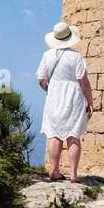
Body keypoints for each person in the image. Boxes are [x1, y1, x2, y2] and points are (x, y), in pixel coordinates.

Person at [36, 21, 94, 182]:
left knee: (54, 134)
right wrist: (90, 102)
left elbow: (41, 79)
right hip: (73, 97)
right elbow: (84, 82)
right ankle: (74, 174)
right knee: (73, 135)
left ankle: (54, 171)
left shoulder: (47, 55)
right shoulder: (76, 56)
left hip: (54, 98)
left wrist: (51, 90)